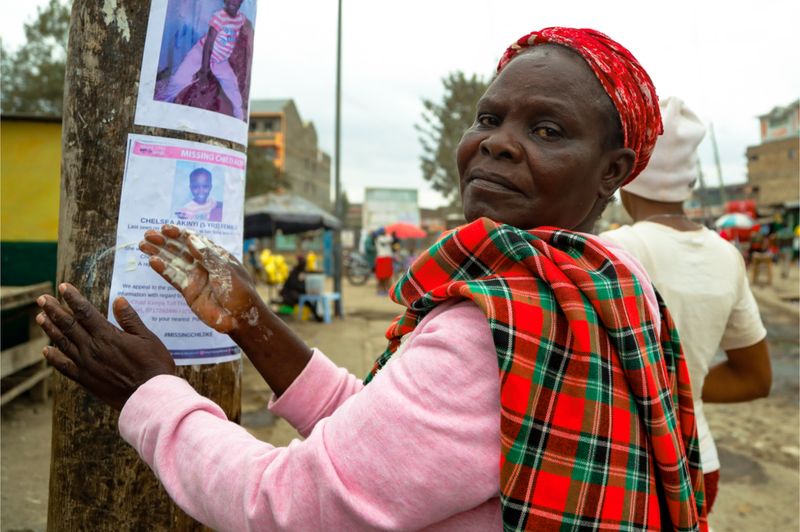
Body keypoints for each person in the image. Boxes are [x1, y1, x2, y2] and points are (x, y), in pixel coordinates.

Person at [36, 27, 707, 530]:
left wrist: (149, 394)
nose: (499, 142)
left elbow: (289, 504)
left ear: (614, 171)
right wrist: (251, 321)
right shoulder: (610, 282)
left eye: (549, 129)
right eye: (489, 118)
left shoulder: (502, 320)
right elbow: (400, 438)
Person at [600, 96, 771, 514]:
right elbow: (754, 378)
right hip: (699, 461)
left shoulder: (613, 249)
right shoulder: (726, 254)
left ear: (625, 173)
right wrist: (684, 388)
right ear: (689, 182)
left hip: (627, 467)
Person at [158, 0, 247, 120]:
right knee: (179, 79)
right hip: (201, 52)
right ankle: (164, 102)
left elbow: (235, 35)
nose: (232, 1)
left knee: (232, 84)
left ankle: (239, 115)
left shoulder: (240, 19)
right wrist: (204, 72)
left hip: (220, 60)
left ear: (241, 1)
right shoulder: (219, 16)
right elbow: (208, 45)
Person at [278, 255, 323, 322]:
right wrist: (300, 281)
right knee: (307, 301)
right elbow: (293, 285)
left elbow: (302, 286)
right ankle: (316, 316)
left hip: (297, 293)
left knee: (311, 300)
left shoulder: (302, 272)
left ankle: (316, 316)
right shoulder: (295, 272)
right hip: (289, 294)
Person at [373, 228, 394, 295]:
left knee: (388, 277)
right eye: (383, 232)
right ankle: (380, 290)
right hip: (381, 258)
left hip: (387, 259)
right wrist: (389, 234)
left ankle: (387, 290)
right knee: (380, 277)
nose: (384, 232)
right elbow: (388, 239)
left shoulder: (386, 238)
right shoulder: (379, 238)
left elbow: (390, 239)